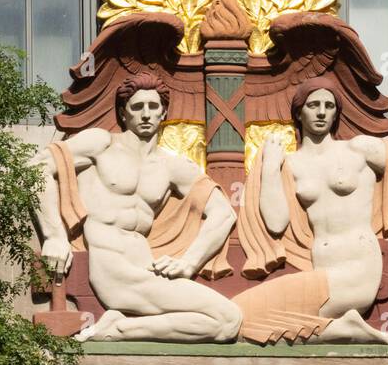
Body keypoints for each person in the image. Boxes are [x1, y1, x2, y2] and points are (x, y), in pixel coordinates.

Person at [30, 73, 242, 343]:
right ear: (123, 112)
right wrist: (54, 236)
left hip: (148, 268)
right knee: (227, 319)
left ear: (163, 112)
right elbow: (37, 169)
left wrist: (189, 262)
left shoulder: (171, 166)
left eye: (153, 107)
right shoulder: (101, 144)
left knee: (228, 322)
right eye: (137, 107)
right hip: (113, 268)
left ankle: (119, 327)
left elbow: (224, 212)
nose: (145, 114)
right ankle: (117, 329)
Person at [234, 78, 388, 344]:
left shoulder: (359, 149)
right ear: (299, 113)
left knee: (242, 317)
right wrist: (270, 166)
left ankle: (346, 329)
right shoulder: (290, 164)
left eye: (328, 106)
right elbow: (276, 222)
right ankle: (343, 329)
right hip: (321, 269)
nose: (321, 112)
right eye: (313, 105)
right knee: (242, 318)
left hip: (358, 268)